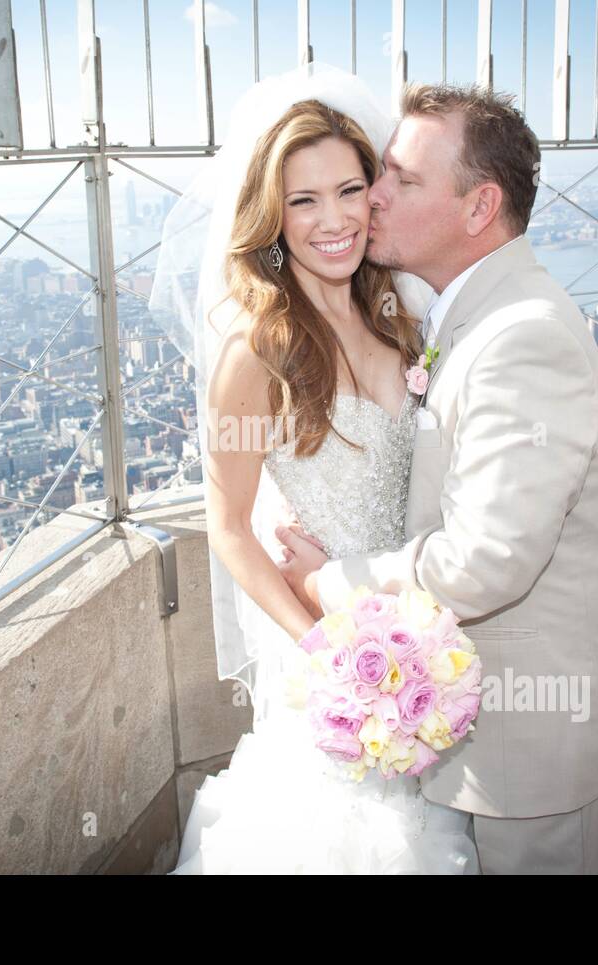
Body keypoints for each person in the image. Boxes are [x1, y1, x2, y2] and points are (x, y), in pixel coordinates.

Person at [276, 83, 598, 874]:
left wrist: (332, 585)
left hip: (535, 767)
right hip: (482, 748)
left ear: (479, 207)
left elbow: (484, 562)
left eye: (401, 180)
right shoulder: (472, 318)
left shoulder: (523, 339)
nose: (372, 197)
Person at [150, 64, 479, 874]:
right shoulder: (257, 350)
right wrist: (324, 646)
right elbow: (225, 524)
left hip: (419, 640)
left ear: (375, 193)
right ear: (274, 217)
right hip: (330, 665)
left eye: (347, 190)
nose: (332, 220)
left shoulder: (399, 314)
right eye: (303, 200)